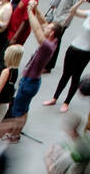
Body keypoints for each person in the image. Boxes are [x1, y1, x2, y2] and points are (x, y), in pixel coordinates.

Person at [4, 13, 65, 142]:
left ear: (52, 33)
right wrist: (36, 10)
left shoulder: (47, 45)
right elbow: (43, 24)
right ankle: (17, 132)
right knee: (24, 108)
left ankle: (13, 134)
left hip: (29, 82)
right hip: (33, 81)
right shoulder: (53, 41)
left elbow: (37, 29)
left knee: (18, 111)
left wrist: (30, 12)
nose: (46, 28)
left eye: (49, 28)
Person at [46, 0, 90, 109]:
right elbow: (72, 11)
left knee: (75, 77)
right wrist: (81, 1)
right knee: (65, 74)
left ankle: (67, 102)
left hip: (84, 51)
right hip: (74, 46)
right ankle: (54, 97)